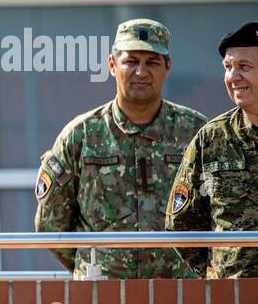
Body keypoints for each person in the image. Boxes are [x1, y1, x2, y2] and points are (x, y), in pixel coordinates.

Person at [34, 19, 207, 279]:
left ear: (167, 67)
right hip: (102, 294)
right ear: (112, 65)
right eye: (131, 61)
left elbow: (219, 211)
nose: (141, 72)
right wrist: (94, 263)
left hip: (180, 295)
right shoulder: (82, 135)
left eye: (152, 62)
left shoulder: (196, 132)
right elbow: (51, 225)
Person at [166, 21, 258, 278]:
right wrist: (214, 273)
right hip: (232, 300)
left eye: (244, 67)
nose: (232, 77)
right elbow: (180, 222)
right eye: (228, 68)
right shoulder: (212, 137)